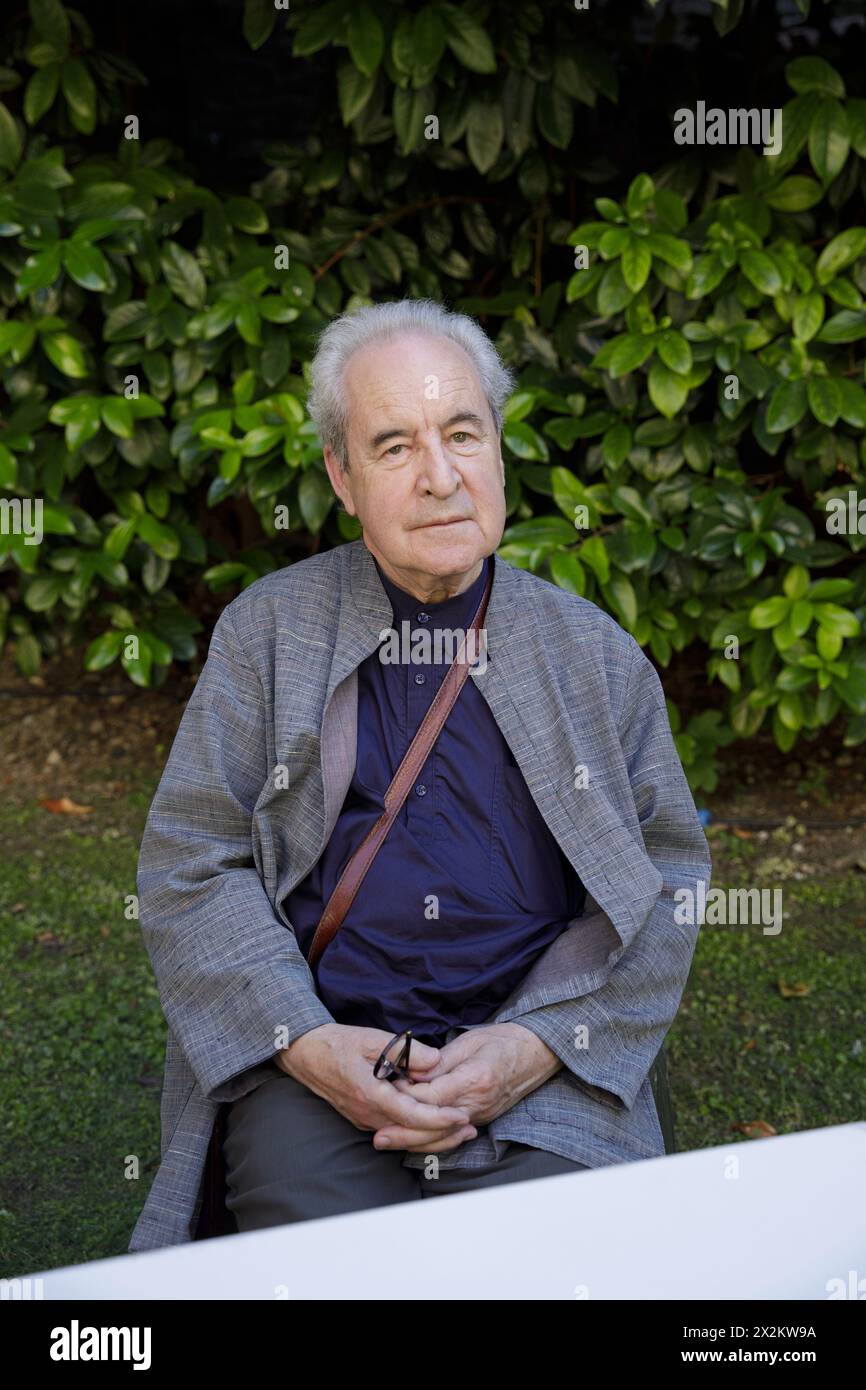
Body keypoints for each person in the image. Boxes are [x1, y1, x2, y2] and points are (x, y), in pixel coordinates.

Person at [128, 298, 711, 1252]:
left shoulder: (594, 656)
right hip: (324, 1057)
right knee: (320, 1270)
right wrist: (306, 1044)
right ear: (342, 477)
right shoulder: (267, 635)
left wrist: (533, 1049)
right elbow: (192, 863)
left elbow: (670, 879)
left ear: (498, 452)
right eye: (394, 447)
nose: (440, 478)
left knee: (556, 1270)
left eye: (461, 434)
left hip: (539, 1058)